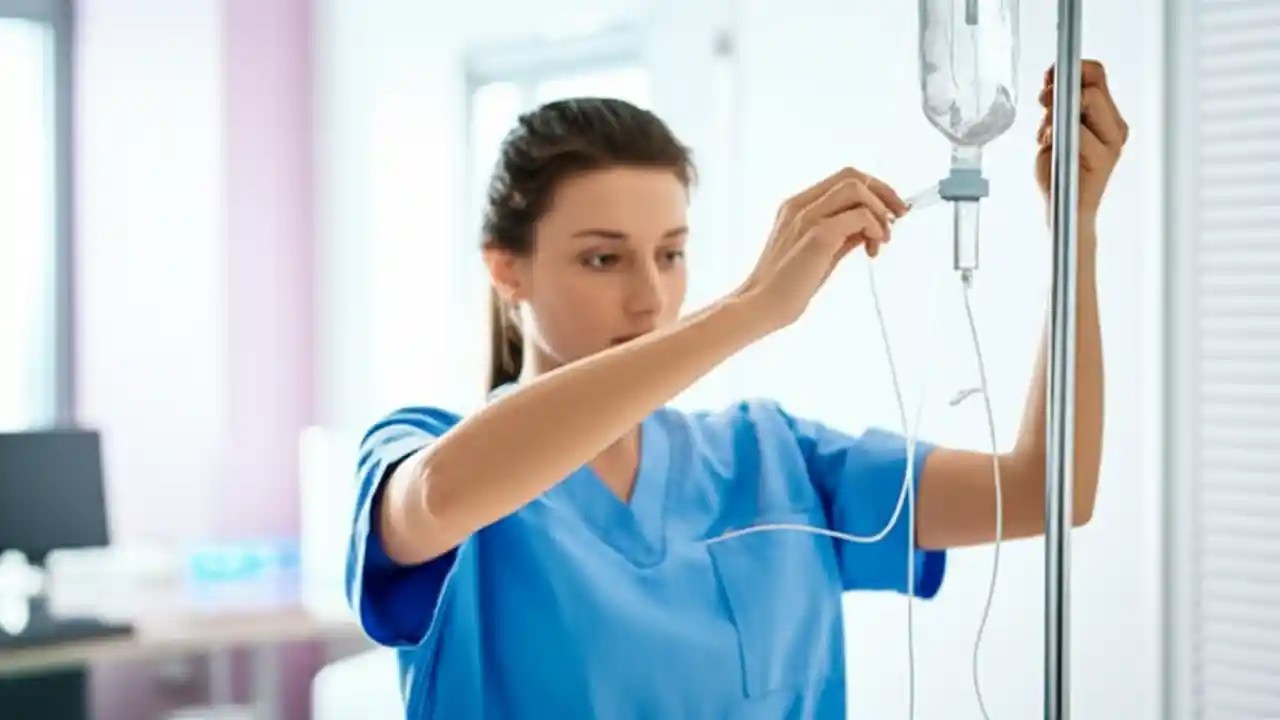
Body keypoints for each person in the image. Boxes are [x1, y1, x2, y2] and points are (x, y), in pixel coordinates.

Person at [344, 60, 1128, 718]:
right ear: (505, 268)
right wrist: (751, 310)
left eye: (672, 253)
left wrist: (1076, 229)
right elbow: (438, 499)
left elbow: (1044, 490)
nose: (650, 299)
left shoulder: (773, 460)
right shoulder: (434, 448)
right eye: (602, 259)